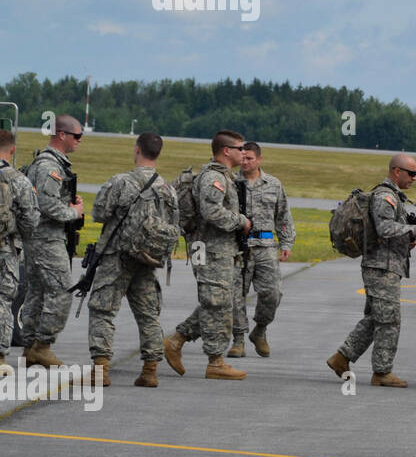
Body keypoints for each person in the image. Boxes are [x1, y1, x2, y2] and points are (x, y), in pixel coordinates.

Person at [325, 153, 416, 388]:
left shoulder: (394, 197)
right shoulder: (385, 196)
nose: (414, 178)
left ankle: (341, 358)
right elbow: (384, 228)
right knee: (390, 320)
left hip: (385, 265)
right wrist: (413, 230)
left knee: (375, 319)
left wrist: (407, 237)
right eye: (411, 173)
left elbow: (388, 231)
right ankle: (382, 373)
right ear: (396, 172)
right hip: (381, 268)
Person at [86, 133, 179, 388]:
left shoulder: (121, 182)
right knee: (148, 314)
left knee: (103, 310)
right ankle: (150, 370)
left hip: (117, 255)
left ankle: (101, 370)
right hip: (148, 259)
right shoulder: (168, 189)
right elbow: (173, 225)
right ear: (158, 153)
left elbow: (100, 213)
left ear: (137, 150)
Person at [164, 130, 252, 380]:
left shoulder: (226, 177)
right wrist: (241, 221)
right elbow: (211, 211)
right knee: (217, 303)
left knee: (220, 302)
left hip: (224, 250)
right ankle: (215, 362)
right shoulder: (214, 178)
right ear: (226, 151)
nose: (243, 152)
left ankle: (177, 340)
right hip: (211, 250)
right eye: (239, 148)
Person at [19, 115, 84, 368]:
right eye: (77, 136)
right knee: (62, 291)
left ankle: (30, 347)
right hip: (46, 238)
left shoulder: (51, 164)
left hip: (37, 238)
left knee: (37, 292)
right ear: (62, 135)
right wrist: (74, 213)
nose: (79, 141)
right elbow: (47, 206)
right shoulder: (49, 167)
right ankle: (42, 346)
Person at [228, 142, 294, 358]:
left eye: (249, 158)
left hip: (265, 246)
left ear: (259, 159)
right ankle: (238, 340)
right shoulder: (231, 182)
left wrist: (286, 243)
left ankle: (260, 330)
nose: (245, 162)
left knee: (273, 293)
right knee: (237, 295)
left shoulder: (273, 184)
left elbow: (283, 216)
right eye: (243, 158)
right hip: (239, 246)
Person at [0, 129, 40, 377]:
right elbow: (31, 222)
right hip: (6, 250)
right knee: (3, 302)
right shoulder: (18, 180)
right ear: (12, 149)